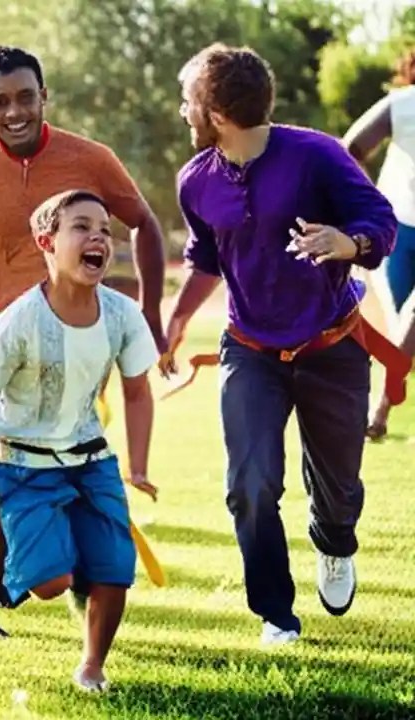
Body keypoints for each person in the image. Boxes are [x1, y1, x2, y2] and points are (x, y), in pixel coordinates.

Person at [0, 46, 167, 637]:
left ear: (43, 97)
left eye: (25, 98)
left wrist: (152, 313)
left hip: (66, 354)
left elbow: (146, 225)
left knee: (22, 481)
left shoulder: (91, 159)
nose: (14, 112)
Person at [164, 43, 397, 645]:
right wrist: (176, 321)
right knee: (250, 484)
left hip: (332, 347)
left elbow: (379, 219)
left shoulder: (316, 155)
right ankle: (276, 613)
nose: (183, 111)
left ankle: (334, 541)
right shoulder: (195, 180)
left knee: (339, 489)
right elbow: (206, 258)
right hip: (250, 350)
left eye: (188, 101)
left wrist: (347, 243)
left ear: (217, 113)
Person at [0, 189, 157, 692]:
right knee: (51, 583)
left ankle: (92, 667)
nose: (99, 238)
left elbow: (138, 392)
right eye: (82, 227)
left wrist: (137, 467)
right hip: (23, 465)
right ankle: (51, 557)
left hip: (92, 461)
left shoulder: (122, 314)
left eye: (105, 230)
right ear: (46, 242)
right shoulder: (19, 320)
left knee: (114, 570)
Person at [342, 49, 415, 439]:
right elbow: (350, 148)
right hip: (397, 225)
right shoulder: (401, 105)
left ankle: (380, 411)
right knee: (402, 323)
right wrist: (367, 200)